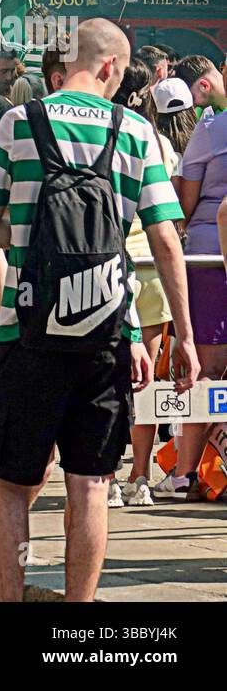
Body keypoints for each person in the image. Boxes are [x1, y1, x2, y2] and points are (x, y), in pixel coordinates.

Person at [0, 17, 197, 601]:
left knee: (13, 487)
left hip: (26, 332)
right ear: (112, 67)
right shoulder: (138, 132)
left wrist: (30, 240)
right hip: (105, 335)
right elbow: (167, 240)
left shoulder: (19, 123)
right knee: (91, 484)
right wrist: (184, 338)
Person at [107, 62, 179, 507]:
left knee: (108, 377)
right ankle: (139, 476)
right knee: (143, 379)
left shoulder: (99, 135)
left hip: (109, 265)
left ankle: (110, 474)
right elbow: (169, 214)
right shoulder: (158, 141)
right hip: (149, 267)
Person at [162, 72, 227, 498]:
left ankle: (184, 471)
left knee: (207, 369)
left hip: (209, 254)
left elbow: (184, 201)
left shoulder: (211, 128)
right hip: (210, 253)